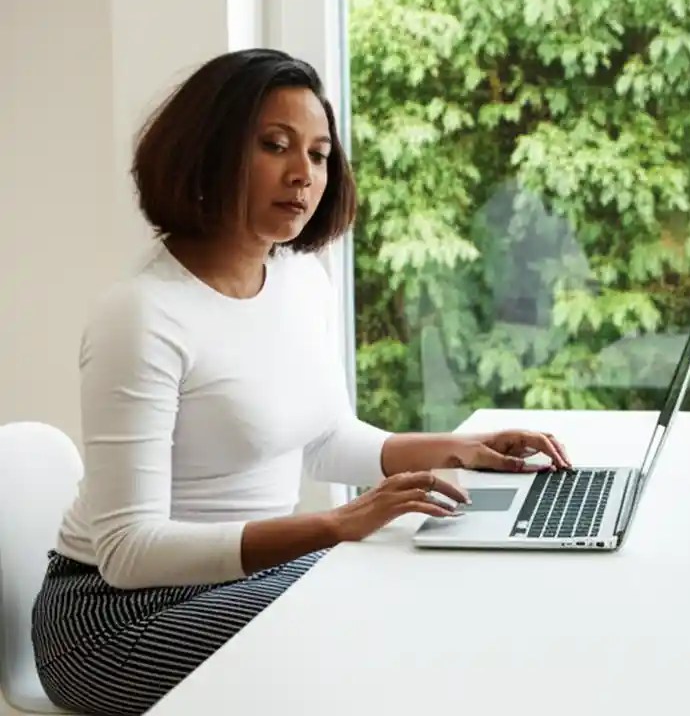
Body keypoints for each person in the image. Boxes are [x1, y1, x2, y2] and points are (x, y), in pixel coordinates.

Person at [29, 48, 571, 716]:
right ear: (208, 151)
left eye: (318, 154)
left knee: (419, 577)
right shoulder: (141, 315)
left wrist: (460, 449)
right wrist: (338, 523)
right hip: (111, 622)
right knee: (369, 611)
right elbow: (126, 553)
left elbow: (322, 441)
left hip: (235, 582)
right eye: (274, 146)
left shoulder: (298, 281)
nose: (302, 175)